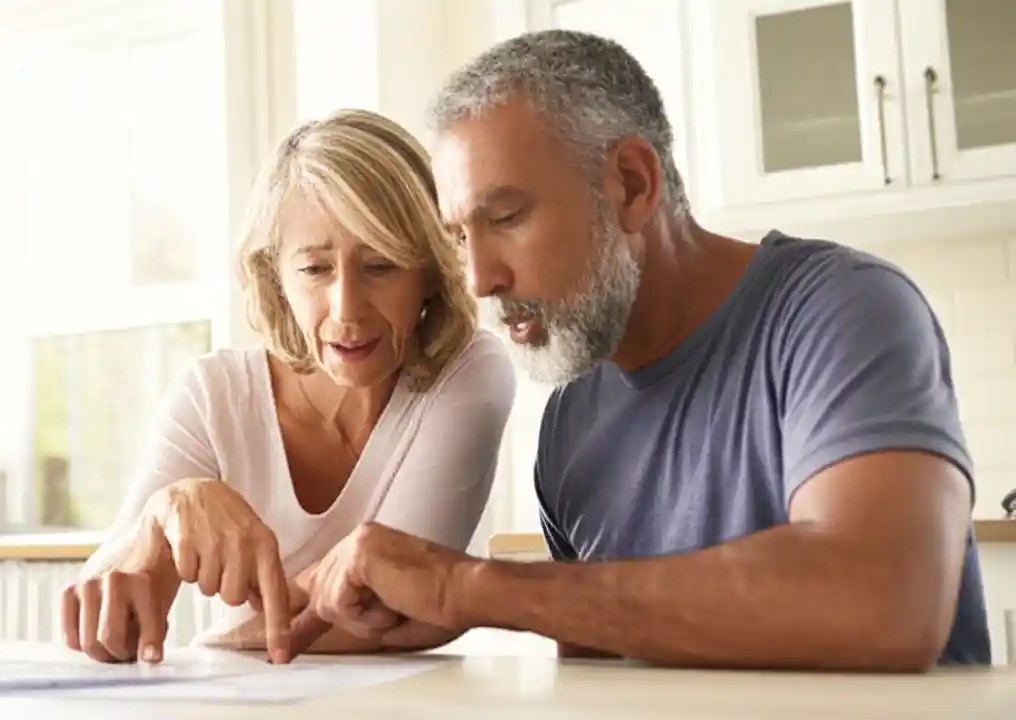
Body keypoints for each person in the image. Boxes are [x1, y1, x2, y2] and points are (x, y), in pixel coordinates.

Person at [288, 30, 990, 670]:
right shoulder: (571, 422)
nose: (479, 279)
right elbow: (614, 667)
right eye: (459, 236)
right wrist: (444, 609)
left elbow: (882, 603)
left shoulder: (842, 309)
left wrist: (467, 586)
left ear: (631, 184)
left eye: (504, 218)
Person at [61, 109, 516, 665]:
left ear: (429, 272)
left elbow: (391, 610)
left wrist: (214, 647)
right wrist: (164, 514)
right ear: (274, 276)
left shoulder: (469, 370)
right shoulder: (215, 393)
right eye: (315, 270)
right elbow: (102, 618)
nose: (347, 309)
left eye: (381, 265)